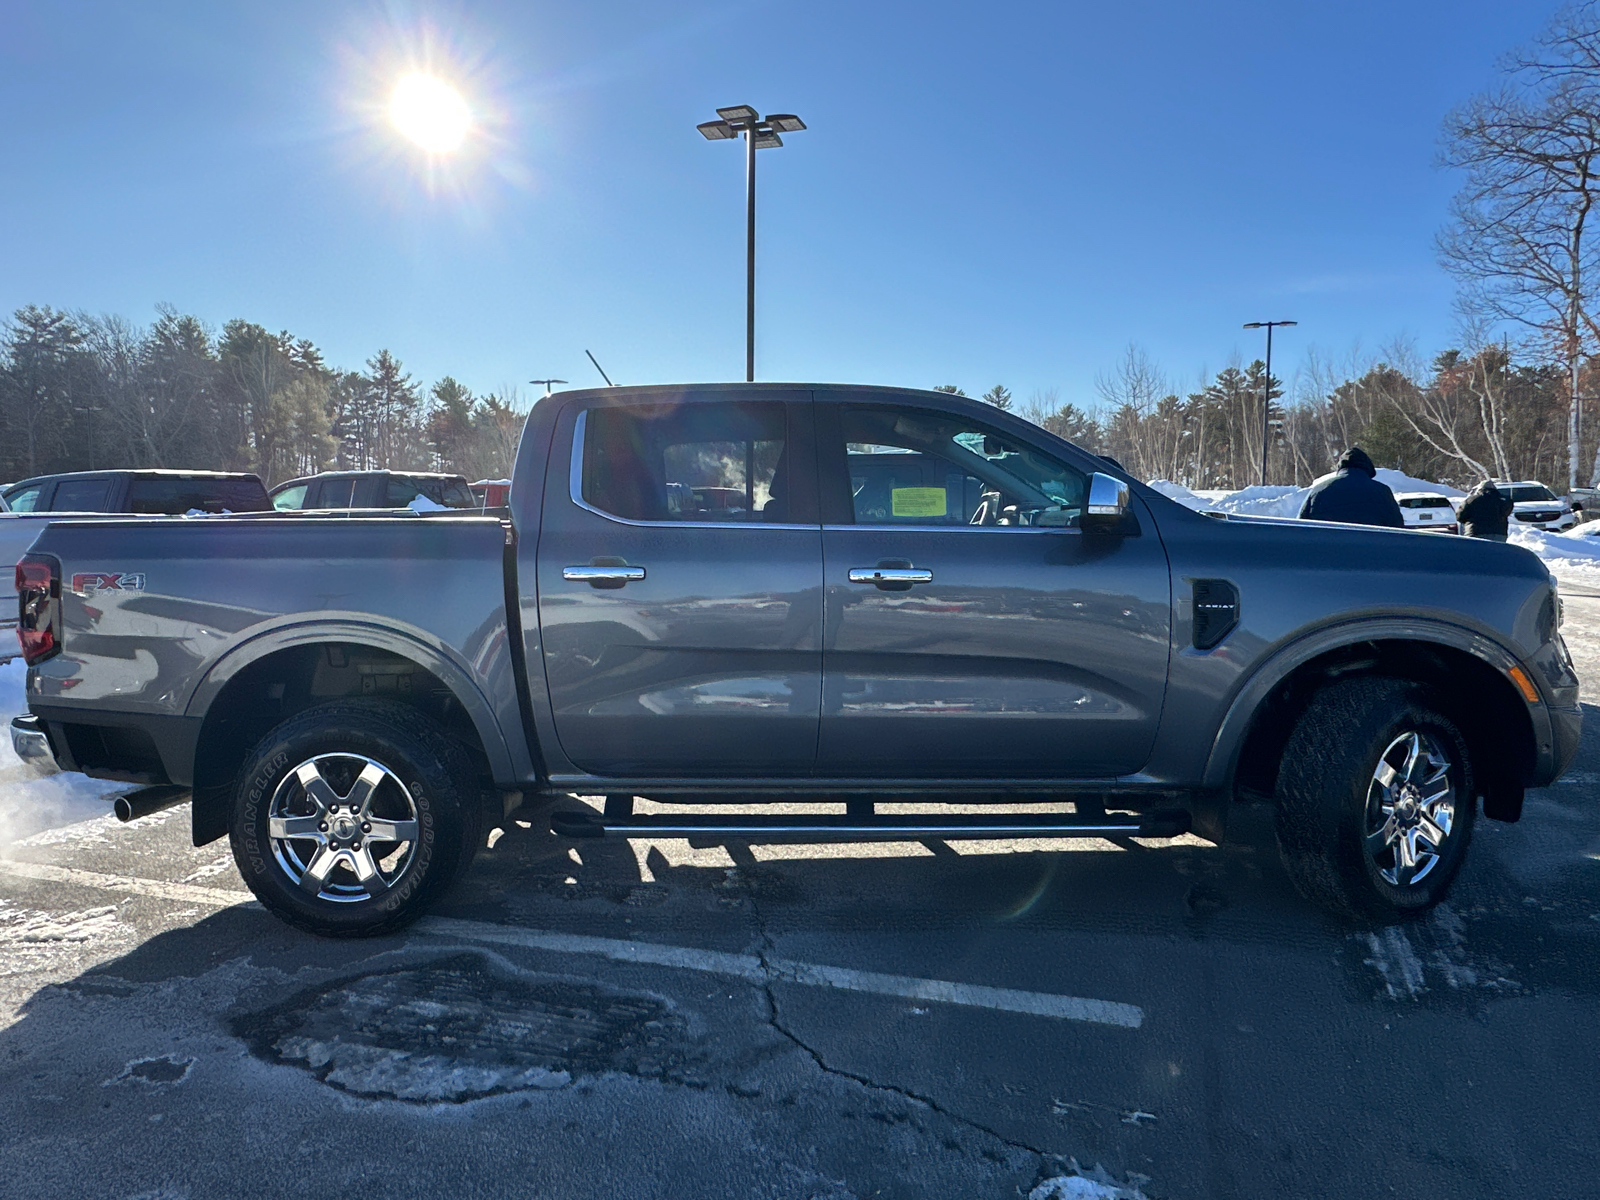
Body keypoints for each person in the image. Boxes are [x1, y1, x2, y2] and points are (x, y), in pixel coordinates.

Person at [1297, 446, 1405, 528]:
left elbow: (1301, 529)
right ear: (1368, 469)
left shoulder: (1318, 491)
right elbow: (1397, 528)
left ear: (1340, 467)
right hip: (1372, 554)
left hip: (1329, 554)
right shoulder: (1382, 492)